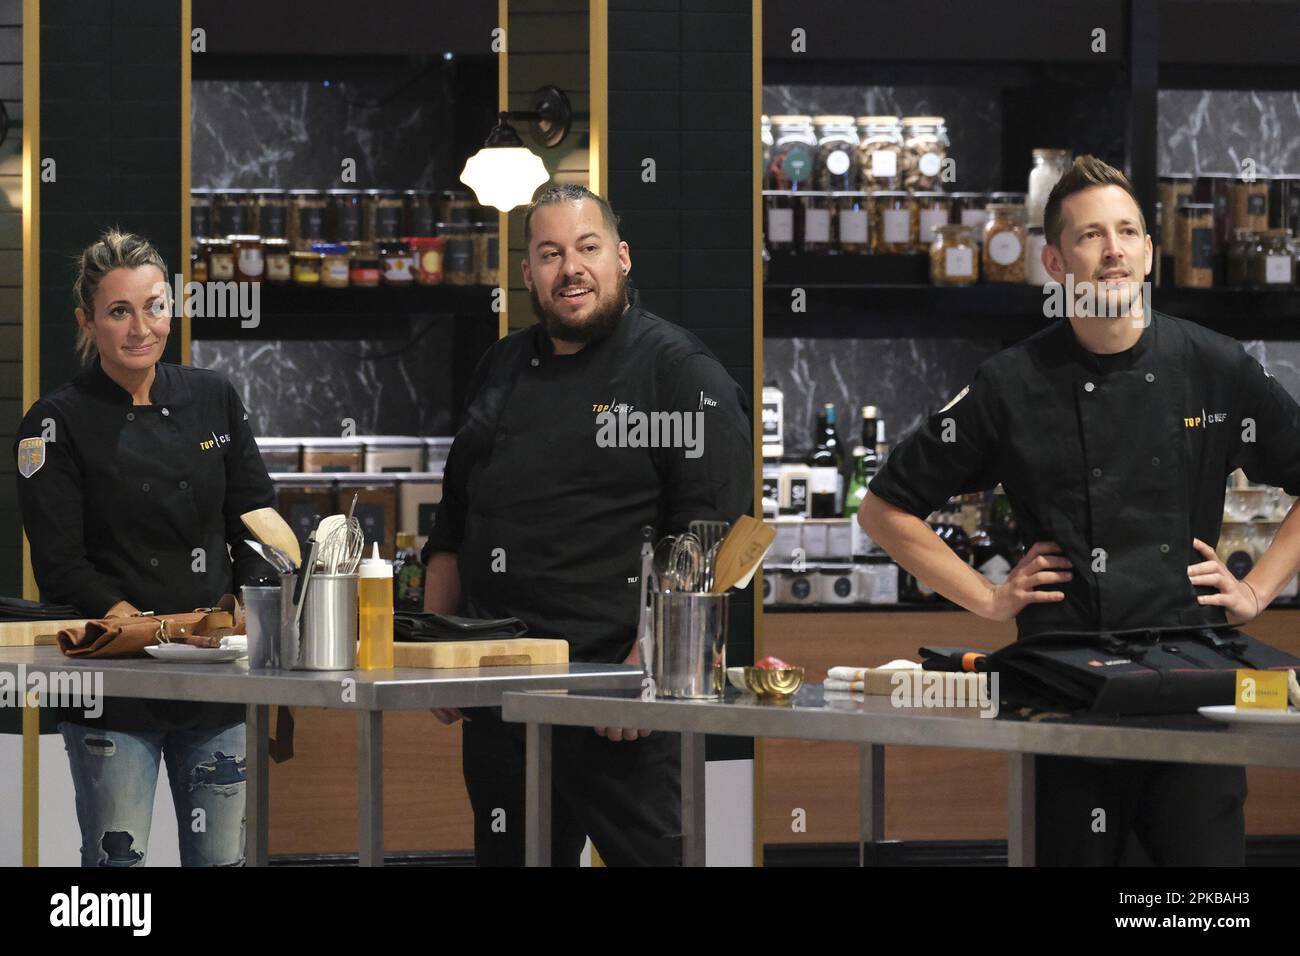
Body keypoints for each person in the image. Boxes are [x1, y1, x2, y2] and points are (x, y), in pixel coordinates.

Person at [860, 156, 1300, 866]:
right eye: (1092, 236)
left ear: (1151, 252)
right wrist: (988, 599)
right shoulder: (1011, 384)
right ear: (1055, 260)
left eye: (1128, 231)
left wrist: (1257, 590)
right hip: (1063, 690)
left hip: (1194, 684)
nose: (1114, 250)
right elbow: (884, 510)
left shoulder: (1214, 365)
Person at [422, 184, 753, 866]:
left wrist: (645, 676)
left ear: (622, 258)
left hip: (621, 707)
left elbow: (714, 542)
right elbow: (456, 521)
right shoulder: (503, 365)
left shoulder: (680, 374)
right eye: (549, 253)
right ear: (527, 275)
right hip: (502, 696)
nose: (569, 267)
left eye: (587, 247)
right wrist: (435, 654)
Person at [15, 229, 275, 866]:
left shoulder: (214, 396)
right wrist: (141, 627)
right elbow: (59, 564)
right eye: (119, 311)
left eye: (154, 306)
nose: (140, 328)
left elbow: (254, 522)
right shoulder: (54, 423)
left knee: (222, 861)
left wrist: (236, 608)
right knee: (117, 870)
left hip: (215, 678)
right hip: (113, 683)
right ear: (87, 320)